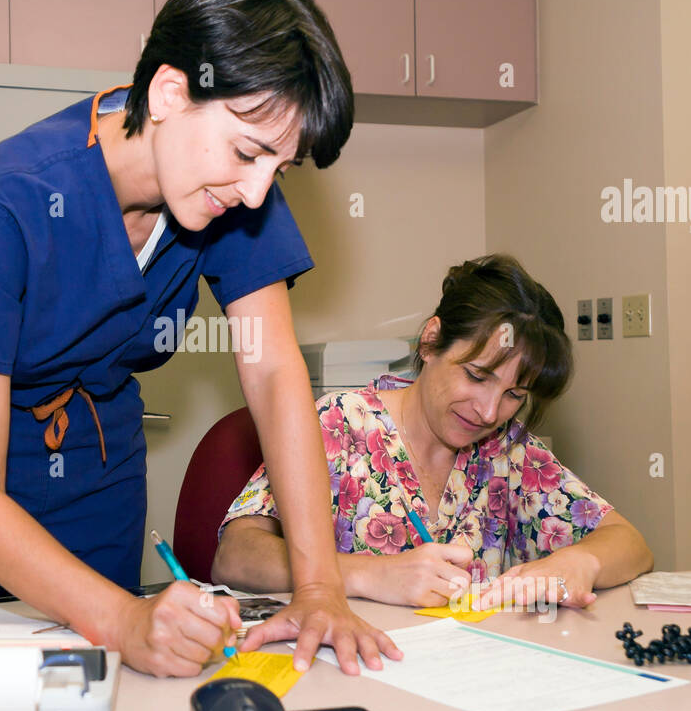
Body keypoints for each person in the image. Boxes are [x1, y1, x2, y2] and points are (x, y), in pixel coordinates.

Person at [0, 0, 401, 677]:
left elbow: (271, 369)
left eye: (281, 167)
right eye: (248, 152)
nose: (258, 191)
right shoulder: (0, 207)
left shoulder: (233, 187)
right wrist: (123, 617)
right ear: (171, 90)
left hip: (92, 469)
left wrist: (321, 588)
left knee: (96, 709)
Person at [214, 254, 654, 612]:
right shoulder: (339, 424)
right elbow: (235, 557)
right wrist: (370, 575)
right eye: (477, 376)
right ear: (431, 341)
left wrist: (580, 561)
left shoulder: (507, 452)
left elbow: (631, 543)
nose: (488, 412)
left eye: (514, 395)